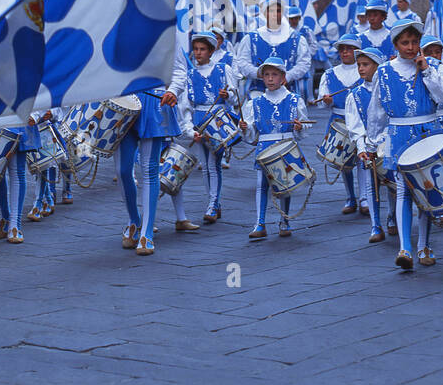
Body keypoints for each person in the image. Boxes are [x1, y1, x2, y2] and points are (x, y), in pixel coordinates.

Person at [363, 15, 443, 270]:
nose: (411, 47)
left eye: (414, 42)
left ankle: (424, 244)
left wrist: (427, 70)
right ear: (396, 45)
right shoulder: (384, 71)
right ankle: (405, 247)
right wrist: (371, 143)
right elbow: (377, 109)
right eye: (405, 43)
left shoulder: (432, 66)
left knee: (426, 189)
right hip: (399, 135)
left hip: (428, 131)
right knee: (403, 189)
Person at [240, 57, 307, 240]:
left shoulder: (294, 100)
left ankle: (284, 220)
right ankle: (259, 223)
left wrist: (299, 127)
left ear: (283, 77)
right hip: (264, 147)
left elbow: (303, 127)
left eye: (274, 75)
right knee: (261, 185)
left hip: (286, 147)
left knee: (285, 185)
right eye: (266, 75)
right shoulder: (254, 103)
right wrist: (246, 129)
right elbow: (252, 134)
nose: (270, 79)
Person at [117, 85, 181, 256]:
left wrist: (173, 90)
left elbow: (178, 69)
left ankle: (147, 232)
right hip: (124, 100)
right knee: (122, 171)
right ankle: (134, 219)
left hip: (153, 101)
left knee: (149, 170)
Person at [184, 30, 238, 224]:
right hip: (200, 119)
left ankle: (213, 203)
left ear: (211, 51)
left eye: (203, 49)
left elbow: (234, 95)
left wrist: (227, 96)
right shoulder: (190, 74)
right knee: (205, 165)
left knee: (214, 164)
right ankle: (213, 202)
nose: (198, 53)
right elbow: (187, 105)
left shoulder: (223, 69)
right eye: (196, 49)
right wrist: (190, 128)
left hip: (218, 119)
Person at [346, 46, 388, 243]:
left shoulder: (388, 89)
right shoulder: (354, 95)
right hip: (369, 146)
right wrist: (361, 148)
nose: (361, 69)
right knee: (372, 185)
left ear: (378, 66)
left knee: (394, 185)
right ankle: (375, 224)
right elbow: (355, 126)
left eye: (366, 65)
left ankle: (392, 219)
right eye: (359, 65)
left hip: (388, 144)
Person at [317, 33, 362, 214]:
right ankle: (350, 197)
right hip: (338, 120)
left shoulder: (364, 70)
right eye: (342, 49)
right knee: (344, 161)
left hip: (360, 121)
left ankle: (365, 198)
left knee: (362, 159)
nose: (345, 52)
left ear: (356, 51)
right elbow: (321, 100)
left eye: (349, 49)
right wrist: (326, 100)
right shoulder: (329, 74)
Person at [233, 0, 312, 94]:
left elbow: (304, 62)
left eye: (278, 11)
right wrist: (259, 73)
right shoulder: (251, 37)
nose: (275, 14)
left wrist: (288, 76)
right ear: (265, 14)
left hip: (288, 90)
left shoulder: (296, 37)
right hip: (258, 91)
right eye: (271, 11)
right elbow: (242, 62)